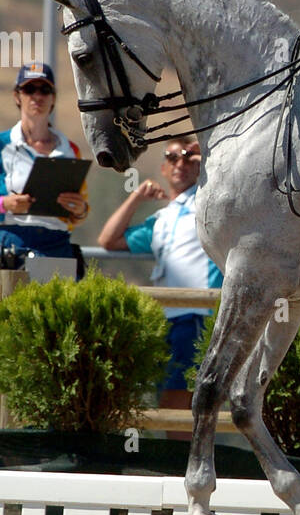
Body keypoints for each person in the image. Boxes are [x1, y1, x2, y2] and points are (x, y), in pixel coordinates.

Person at [98, 135, 223, 432]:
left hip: (198, 316)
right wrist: (136, 197)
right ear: (163, 168)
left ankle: (181, 469)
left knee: (180, 403)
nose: (180, 163)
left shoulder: (211, 205)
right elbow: (108, 240)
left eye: (189, 157)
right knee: (168, 399)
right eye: (172, 157)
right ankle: (179, 468)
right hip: (167, 319)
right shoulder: (162, 218)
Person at [0, 62, 89, 276]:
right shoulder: (2, 145)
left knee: (58, 310)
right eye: (29, 89)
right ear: (17, 96)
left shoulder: (71, 150)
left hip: (57, 245)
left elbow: (81, 209)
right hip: (10, 243)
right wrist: (5, 205)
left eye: (45, 90)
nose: (37, 96)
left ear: (53, 98)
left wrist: (79, 210)